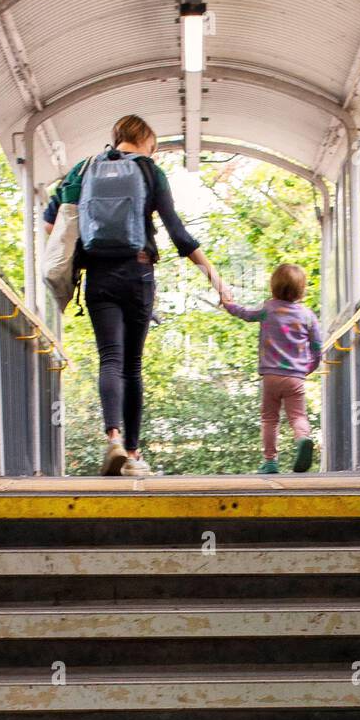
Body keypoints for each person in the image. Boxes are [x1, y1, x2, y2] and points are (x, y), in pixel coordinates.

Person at [44, 115, 226, 476]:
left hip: (98, 275)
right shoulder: (149, 171)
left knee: (109, 359)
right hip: (138, 272)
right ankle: (132, 455)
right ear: (145, 140)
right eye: (153, 147)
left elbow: (53, 223)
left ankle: (112, 437)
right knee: (132, 365)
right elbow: (178, 233)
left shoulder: (83, 169)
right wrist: (215, 278)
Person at [221, 263, 321, 474]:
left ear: (273, 287)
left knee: (269, 418)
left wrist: (228, 304)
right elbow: (317, 346)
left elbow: (245, 313)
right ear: (301, 290)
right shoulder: (307, 315)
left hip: (271, 376)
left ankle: (270, 461)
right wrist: (310, 367)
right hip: (296, 377)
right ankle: (303, 439)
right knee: (298, 416)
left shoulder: (268, 309)